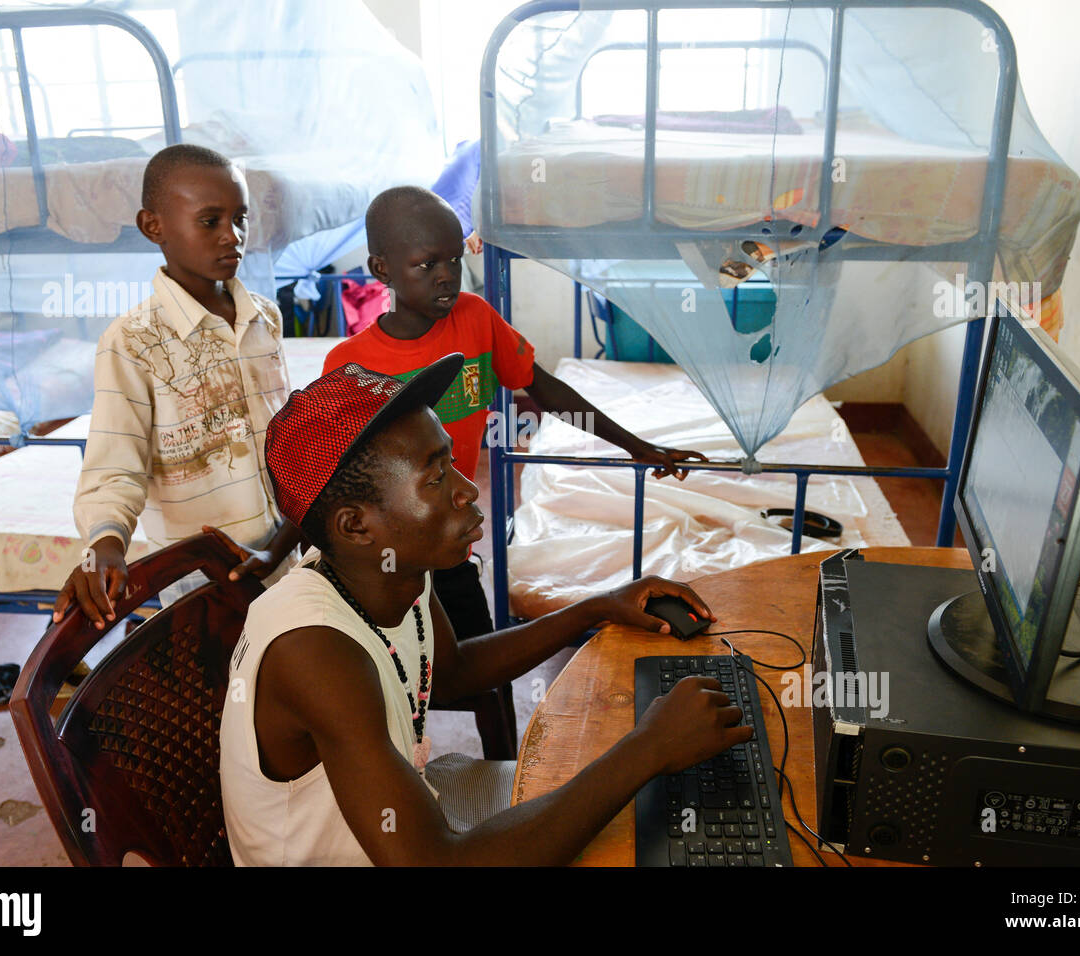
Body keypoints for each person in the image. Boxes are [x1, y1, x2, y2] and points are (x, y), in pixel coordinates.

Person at [219, 354, 751, 865]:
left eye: (450, 461)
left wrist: (593, 609)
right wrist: (649, 748)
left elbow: (454, 672)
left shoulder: (385, 567)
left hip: (410, 816)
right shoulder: (313, 651)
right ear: (356, 526)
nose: (469, 490)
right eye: (434, 478)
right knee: (633, 806)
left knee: (639, 811)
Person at [322, 185, 707, 645]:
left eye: (453, 260)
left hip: (448, 540)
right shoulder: (350, 365)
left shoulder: (476, 319)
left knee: (481, 670)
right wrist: (280, 554)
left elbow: (545, 389)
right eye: (427, 264)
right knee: (393, 672)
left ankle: (502, 718)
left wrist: (636, 446)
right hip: (387, 553)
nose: (447, 276)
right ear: (381, 269)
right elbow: (325, 475)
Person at [53, 144, 300, 629]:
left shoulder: (264, 318)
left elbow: (285, 433)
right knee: (229, 697)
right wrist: (105, 544)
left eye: (240, 218)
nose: (233, 237)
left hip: (287, 553)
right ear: (154, 226)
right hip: (207, 579)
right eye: (210, 221)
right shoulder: (132, 342)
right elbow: (113, 467)